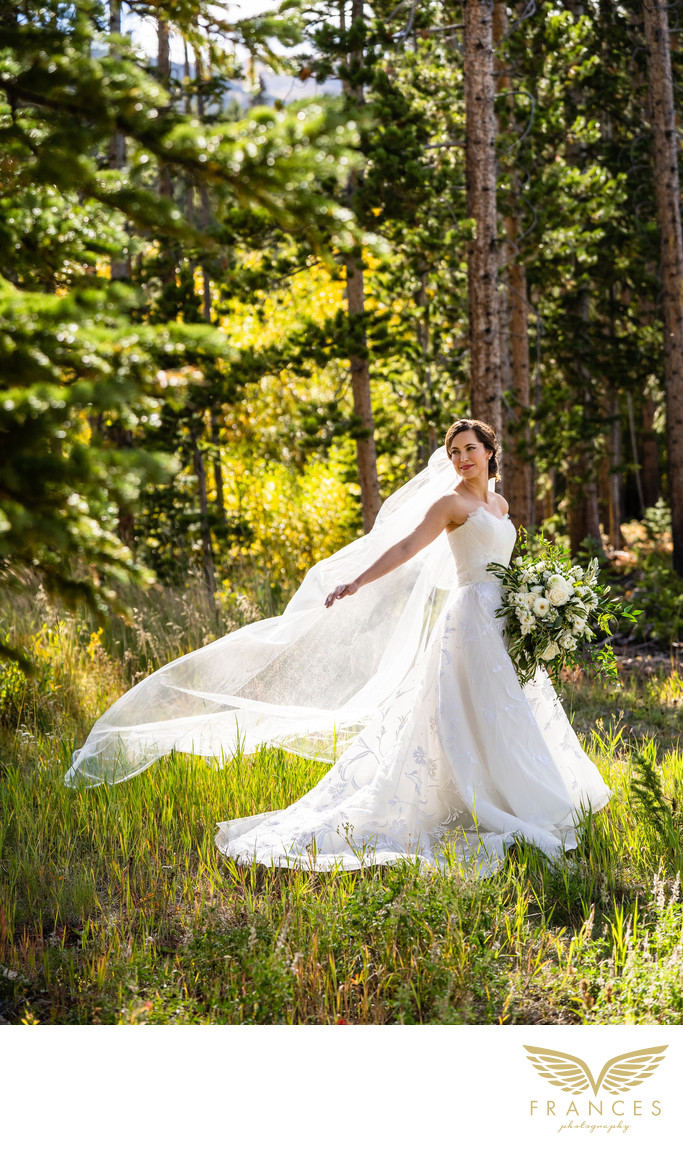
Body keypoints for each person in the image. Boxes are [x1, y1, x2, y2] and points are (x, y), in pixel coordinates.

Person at [67, 418, 610, 876]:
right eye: (453, 452)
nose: (462, 457)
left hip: (503, 619)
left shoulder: (501, 504)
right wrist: (356, 582)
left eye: (470, 449)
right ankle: (475, 804)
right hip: (468, 621)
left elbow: (503, 566)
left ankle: (515, 795)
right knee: (467, 713)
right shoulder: (448, 504)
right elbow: (403, 546)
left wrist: (535, 605)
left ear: (491, 452)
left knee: (510, 712)